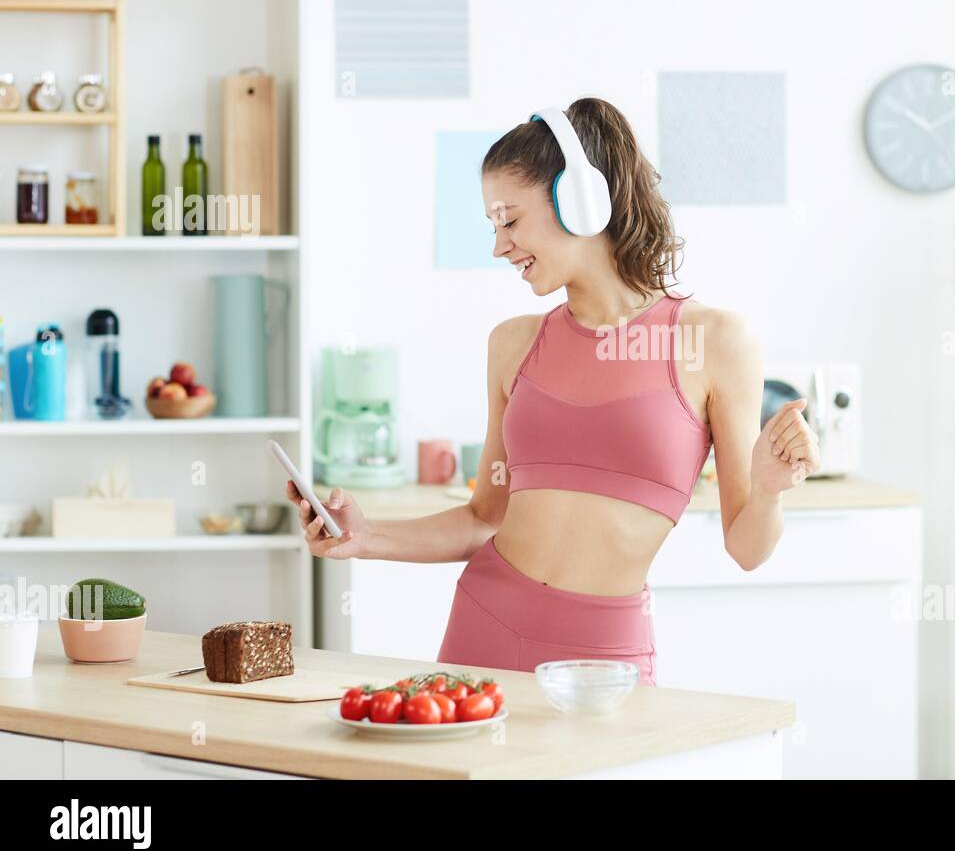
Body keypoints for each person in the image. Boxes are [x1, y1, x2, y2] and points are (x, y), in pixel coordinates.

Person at [288, 97, 819, 684]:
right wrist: (365, 538)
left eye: (510, 220)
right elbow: (482, 518)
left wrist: (769, 491)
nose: (499, 246)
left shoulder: (714, 340)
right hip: (483, 628)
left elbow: (747, 549)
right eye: (493, 226)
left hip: (606, 656)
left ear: (581, 201)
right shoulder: (512, 344)